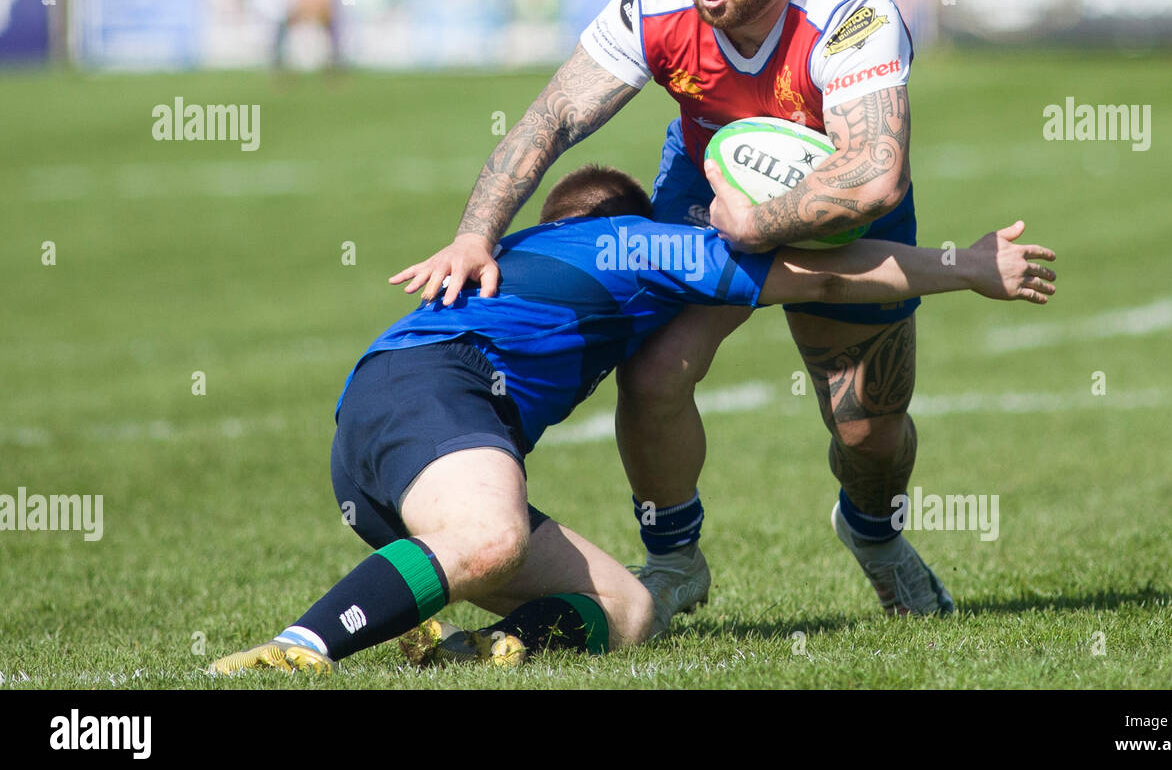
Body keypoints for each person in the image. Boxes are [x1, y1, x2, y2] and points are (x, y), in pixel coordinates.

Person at [392, 0, 978, 634]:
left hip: (840, 210)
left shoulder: (851, 16)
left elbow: (874, 177)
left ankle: (873, 534)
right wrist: (474, 234)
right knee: (657, 369)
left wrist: (756, 222)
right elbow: (555, 114)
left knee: (868, 432)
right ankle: (673, 559)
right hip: (707, 183)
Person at [209, 165, 1056, 674]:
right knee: (492, 537)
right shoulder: (635, 243)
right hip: (439, 389)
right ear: (626, 219)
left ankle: (480, 648)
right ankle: (301, 650)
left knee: (628, 611)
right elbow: (821, 275)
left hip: (373, 450)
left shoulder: (537, 247)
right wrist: (965, 266)